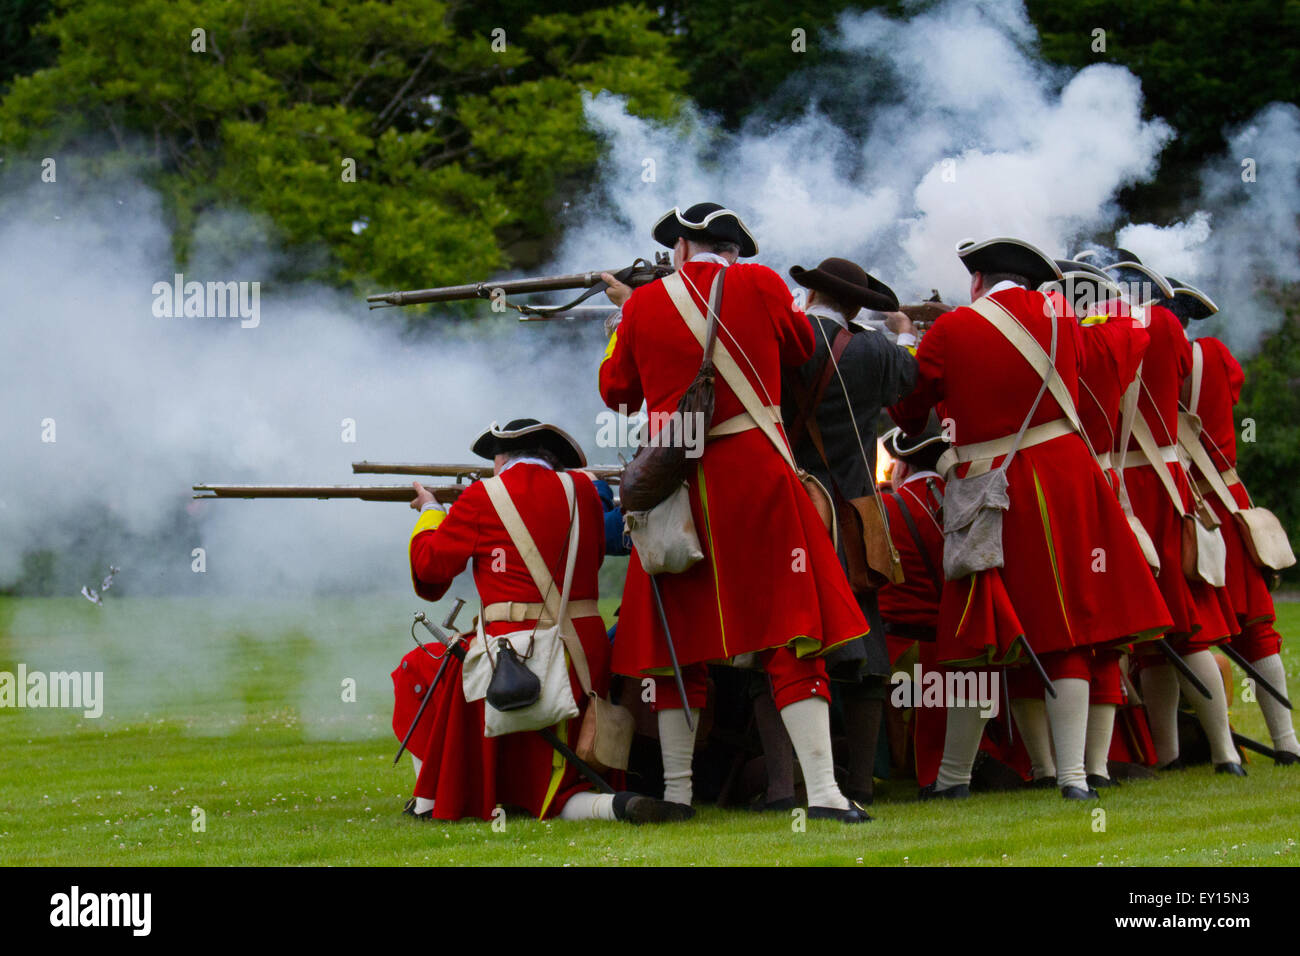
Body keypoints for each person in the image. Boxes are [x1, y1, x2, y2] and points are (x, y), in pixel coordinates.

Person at [598, 202, 871, 822]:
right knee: (793, 629)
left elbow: (616, 391)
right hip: (758, 477)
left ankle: (676, 794)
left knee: (676, 643)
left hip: (679, 488)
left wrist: (625, 317)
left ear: (683, 247)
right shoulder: (764, 283)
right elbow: (802, 349)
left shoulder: (642, 305)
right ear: (733, 249)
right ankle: (825, 792)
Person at [890, 237, 1171, 800]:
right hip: (1068, 481)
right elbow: (1119, 344)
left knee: (975, 630)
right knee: (1066, 630)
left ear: (977, 281)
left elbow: (905, 408)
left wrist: (903, 339)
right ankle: (1073, 778)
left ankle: (952, 780)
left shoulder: (951, 330)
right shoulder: (1065, 316)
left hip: (990, 489)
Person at [393, 418, 688, 823]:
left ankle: (432, 798)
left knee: (418, 665)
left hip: (511, 653)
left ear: (501, 459)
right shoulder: (585, 491)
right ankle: (611, 806)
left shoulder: (482, 496)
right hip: (584, 652)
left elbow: (429, 571)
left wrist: (431, 512)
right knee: (570, 766)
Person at [780, 256, 919, 804]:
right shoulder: (877, 350)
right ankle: (858, 783)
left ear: (811, 295)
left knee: (788, 641)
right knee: (867, 647)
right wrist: (904, 334)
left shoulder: (785, 338)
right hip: (857, 516)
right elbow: (911, 381)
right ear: (858, 308)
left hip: (793, 509)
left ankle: (786, 786)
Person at [1101, 260, 1243, 775]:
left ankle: (1178, 752)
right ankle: (1214, 753)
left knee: (1163, 633)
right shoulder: (1164, 325)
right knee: (1180, 631)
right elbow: (1182, 377)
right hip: (1166, 478)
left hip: (1125, 483)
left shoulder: (1099, 324)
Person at [1167, 281, 1299, 765]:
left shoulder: (1147, 364)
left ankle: (1223, 754)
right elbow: (1234, 393)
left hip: (1183, 506)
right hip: (1226, 502)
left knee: (1191, 634)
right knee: (1257, 628)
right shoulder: (1215, 356)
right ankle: (1286, 741)